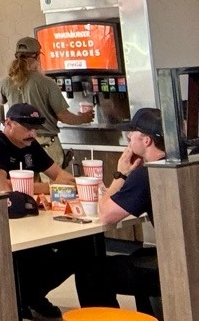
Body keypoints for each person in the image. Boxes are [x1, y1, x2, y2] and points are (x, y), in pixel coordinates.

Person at [0, 103, 80, 321]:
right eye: (27, 128)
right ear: (9, 123)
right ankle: (26, 298)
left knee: (75, 251)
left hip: (33, 215)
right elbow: (3, 186)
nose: (32, 133)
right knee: (31, 256)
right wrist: (49, 187)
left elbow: (59, 174)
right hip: (7, 219)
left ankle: (30, 296)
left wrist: (77, 185)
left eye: (35, 128)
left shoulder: (31, 144)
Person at [77, 108, 167, 319]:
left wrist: (121, 175)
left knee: (90, 274)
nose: (128, 137)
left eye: (132, 132)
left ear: (146, 140)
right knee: (139, 257)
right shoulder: (182, 163)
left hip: (174, 265)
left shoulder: (145, 175)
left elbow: (105, 214)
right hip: (189, 256)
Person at [0, 36, 94, 171]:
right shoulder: (47, 83)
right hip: (46, 145)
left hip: (18, 145)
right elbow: (63, 116)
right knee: (53, 183)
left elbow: (2, 108)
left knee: (25, 182)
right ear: (38, 57)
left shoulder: (4, 82)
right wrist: (83, 118)